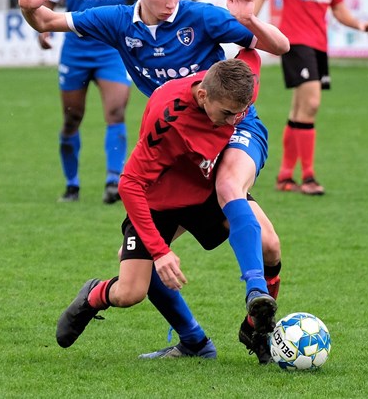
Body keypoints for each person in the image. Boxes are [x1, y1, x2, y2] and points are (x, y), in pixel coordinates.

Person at [18, 0, 289, 363]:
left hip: (229, 128)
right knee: (138, 279)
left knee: (248, 213)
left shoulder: (199, 17)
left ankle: (257, 313)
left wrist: (250, 19)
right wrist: (29, 8)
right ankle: (192, 340)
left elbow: (277, 46)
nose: (171, 3)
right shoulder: (116, 22)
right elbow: (47, 19)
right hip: (173, 146)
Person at [54, 50, 274, 360]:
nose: (233, 122)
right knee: (130, 292)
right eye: (227, 114)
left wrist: (249, 21)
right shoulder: (167, 119)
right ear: (202, 96)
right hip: (160, 200)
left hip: (204, 189)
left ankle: (257, 321)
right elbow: (129, 183)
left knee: (270, 244)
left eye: (241, 113)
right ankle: (100, 297)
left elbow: (254, 52)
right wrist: (159, 252)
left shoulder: (237, 86)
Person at [254, 0, 368, 196]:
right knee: (312, 105)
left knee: (300, 108)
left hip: (319, 44)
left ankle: (285, 176)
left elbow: (339, 8)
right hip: (295, 42)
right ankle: (307, 176)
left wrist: (360, 25)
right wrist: (250, 24)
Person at [38, 0, 139, 204]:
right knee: (72, 119)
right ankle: (72, 185)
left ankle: (113, 181)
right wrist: (42, 29)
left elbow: (140, 2)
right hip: (76, 51)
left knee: (117, 113)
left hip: (112, 51)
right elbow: (50, 1)